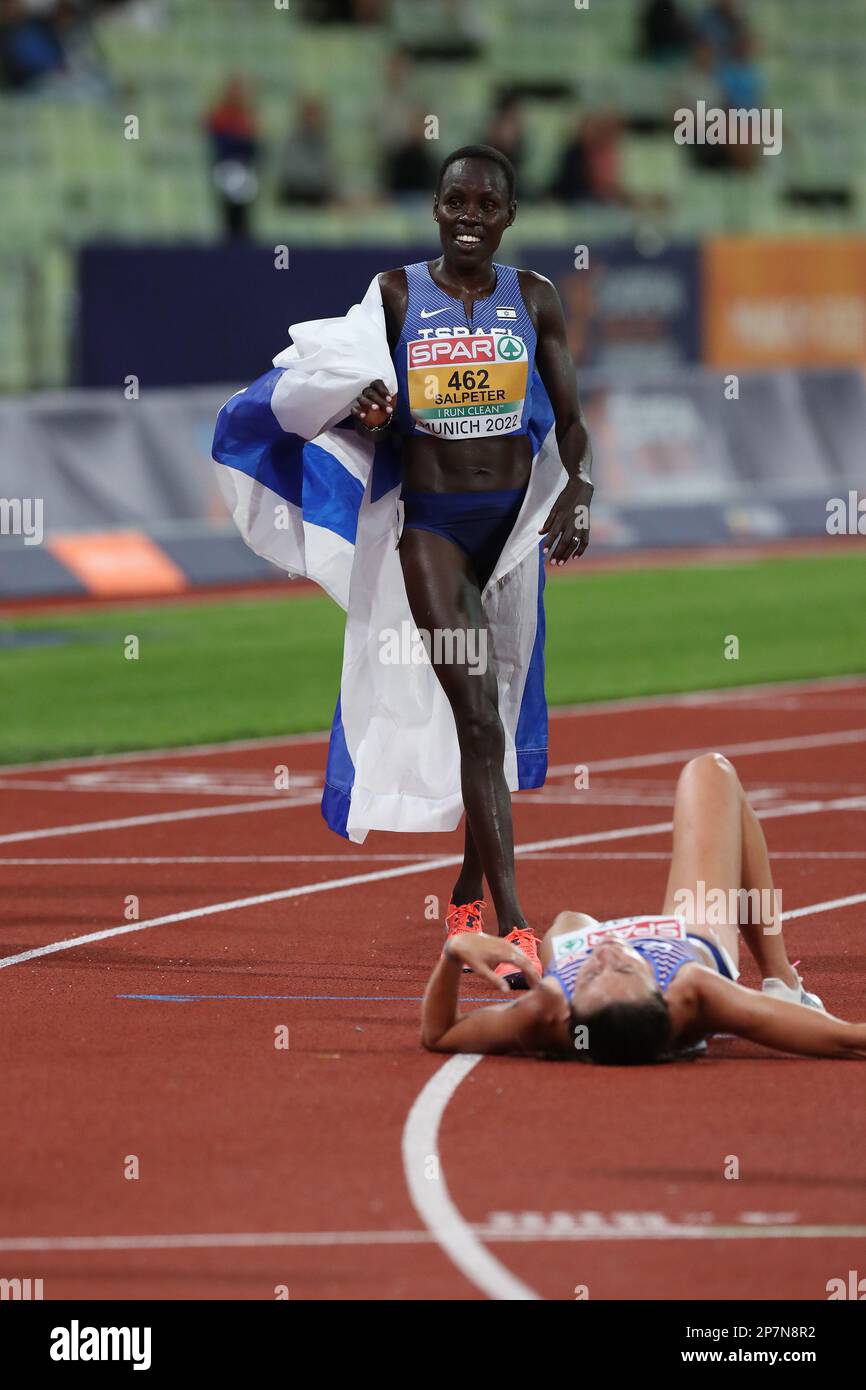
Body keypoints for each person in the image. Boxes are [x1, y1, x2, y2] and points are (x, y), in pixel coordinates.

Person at [350, 145, 593, 984]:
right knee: (478, 716)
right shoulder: (393, 295)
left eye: (486, 205)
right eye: (455, 200)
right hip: (436, 533)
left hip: (513, 533)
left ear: (509, 217)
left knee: (499, 718)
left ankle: (466, 884)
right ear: (434, 206)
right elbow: (354, 399)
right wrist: (372, 411)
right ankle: (517, 924)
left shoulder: (535, 300)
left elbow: (571, 421)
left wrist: (581, 488)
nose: (468, 216)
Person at [419, 752, 866, 1064]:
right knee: (711, 772)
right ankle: (784, 980)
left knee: (570, 923)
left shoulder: (550, 1011)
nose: (608, 954)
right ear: (664, 997)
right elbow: (846, 1039)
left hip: (602, 985)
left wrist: (454, 952)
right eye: (628, 970)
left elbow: (439, 1034)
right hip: (685, 937)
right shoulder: (694, 991)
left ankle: (603, 972)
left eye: (590, 975)